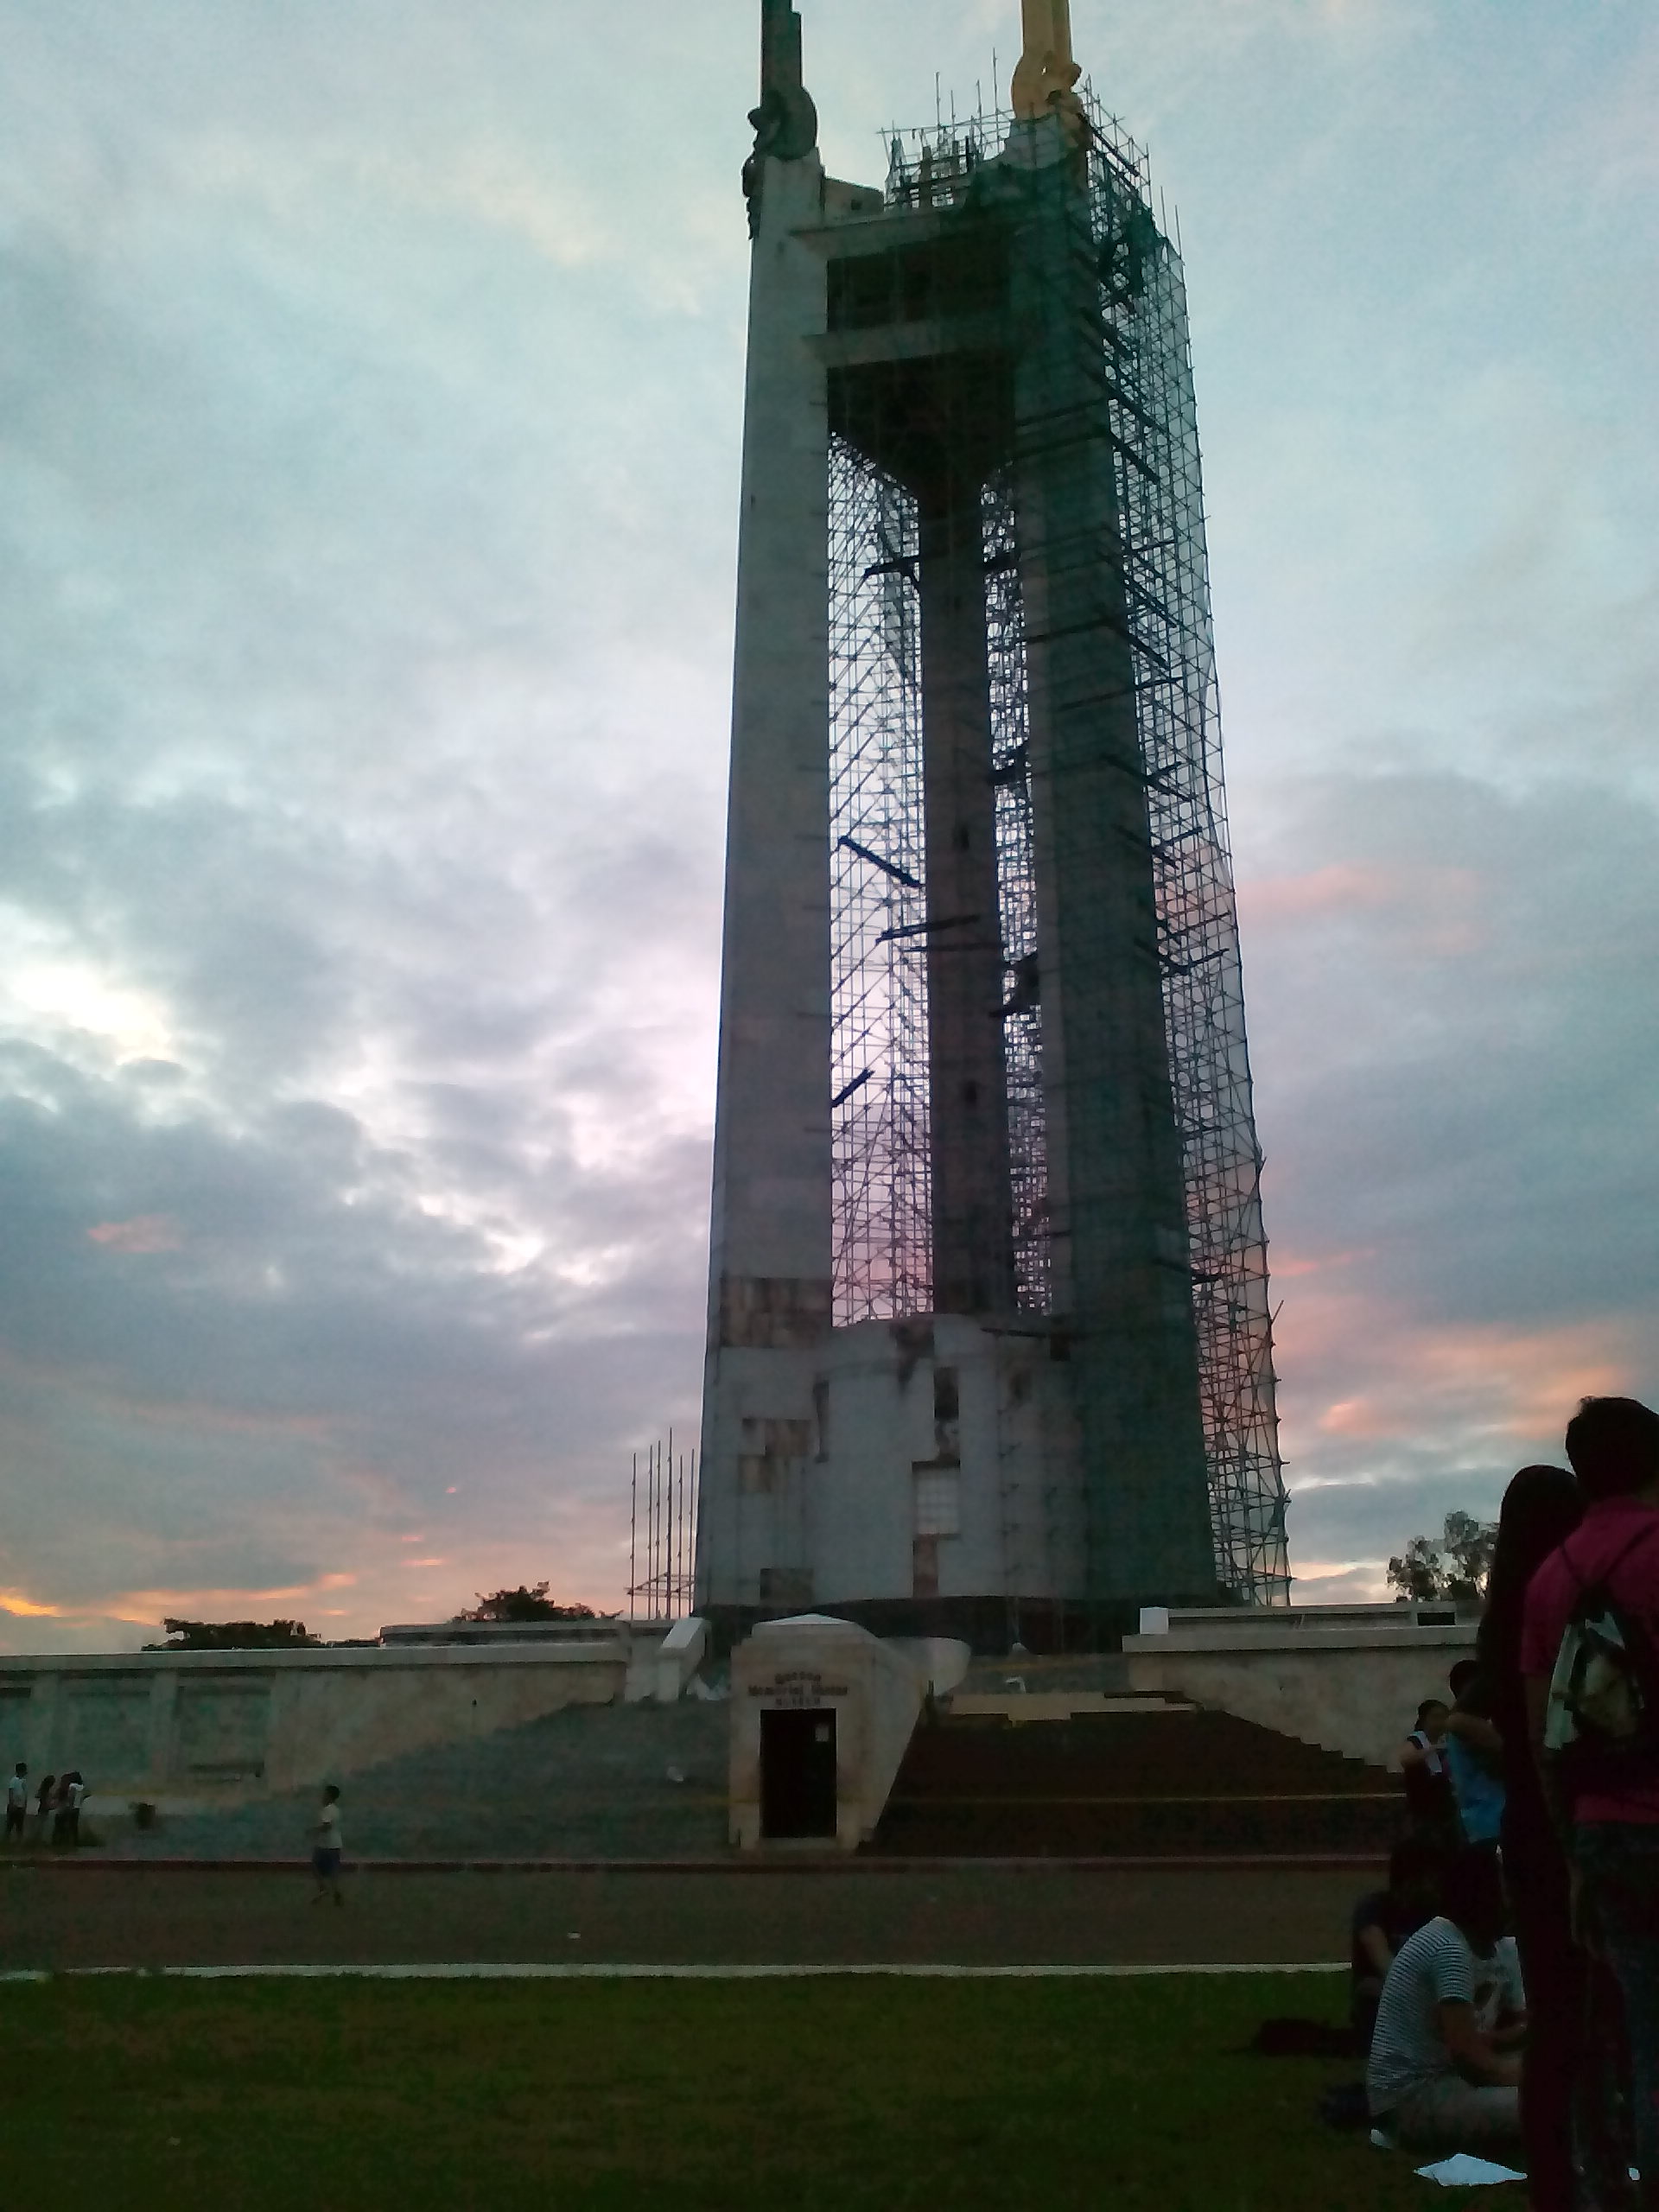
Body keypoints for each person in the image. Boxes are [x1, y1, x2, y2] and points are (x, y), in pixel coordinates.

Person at [1524, 1396, 1659, 2212]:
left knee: (1642, 2032)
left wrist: (1575, 1853)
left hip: (1605, 1832)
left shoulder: (1551, 1578)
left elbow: (1551, 1740)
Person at [1478, 1461, 1617, 2212]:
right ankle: (1604, 2171)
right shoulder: (1567, 1610)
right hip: (1574, 1828)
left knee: (1556, 2030)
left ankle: (1555, 2189)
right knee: (1604, 2017)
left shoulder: (1501, 1618)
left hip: (1524, 1833)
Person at [1366, 1841, 1527, 2158]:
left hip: (1452, 2083)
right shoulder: (1448, 1948)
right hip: (1413, 2098)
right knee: (1548, 2104)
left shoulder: (1498, 1948)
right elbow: (1471, 2059)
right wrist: (1542, 2076)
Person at [1351, 1837, 1446, 2056]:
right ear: (1412, 1879)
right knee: (1371, 1988)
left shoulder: (1435, 1914)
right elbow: (1387, 1967)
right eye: (1433, 1878)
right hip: (1385, 2008)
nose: (1439, 1885)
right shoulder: (1373, 1909)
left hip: (1419, 2003)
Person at [1445, 1658, 1507, 1847]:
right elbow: (1504, 1757)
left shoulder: (1458, 1723)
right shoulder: (1464, 1724)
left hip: (1479, 1819)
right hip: (1492, 1818)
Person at [1400, 1700, 1461, 1848]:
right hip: (1423, 1806)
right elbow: (1405, 1758)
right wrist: (1433, 1749)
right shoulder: (1417, 1740)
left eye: (1443, 1717)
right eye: (1435, 1717)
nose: (1439, 1722)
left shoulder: (1449, 1740)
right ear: (1423, 1719)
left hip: (1446, 1804)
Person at [310, 1784, 344, 1904]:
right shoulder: (336, 1809)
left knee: (315, 1866)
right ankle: (335, 1893)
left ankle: (323, 1888)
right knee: (333, 1871)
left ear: (329, 1796)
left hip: (325, 1845)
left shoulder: (326, 1810)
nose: (322, 1796)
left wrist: (313, 1831)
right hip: (336, 1844)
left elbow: (327, 1826)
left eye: (325, 1793)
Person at [4, 1763, 27, 1844]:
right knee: (10, 1825)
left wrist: (24, 1806)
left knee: (19, 1826)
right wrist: (12, 1804)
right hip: (14, 1806)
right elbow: (11, 1793)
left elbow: (24, 1794)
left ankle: (19, 1842)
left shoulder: (23, 1781)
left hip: (20, 1806)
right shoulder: (13, 1780)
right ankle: (6, 1841)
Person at [32, 1774, 55, 1848]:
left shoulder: (43, 1790)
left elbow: (37, 1796)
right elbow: (47, 1805)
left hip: (40, 1810)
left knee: (39, 1828)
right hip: (44, 1811)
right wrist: (55, 1806)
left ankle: (36, 1843)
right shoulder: (48, 1793)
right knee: (41, 1828)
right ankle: (39, 1844)